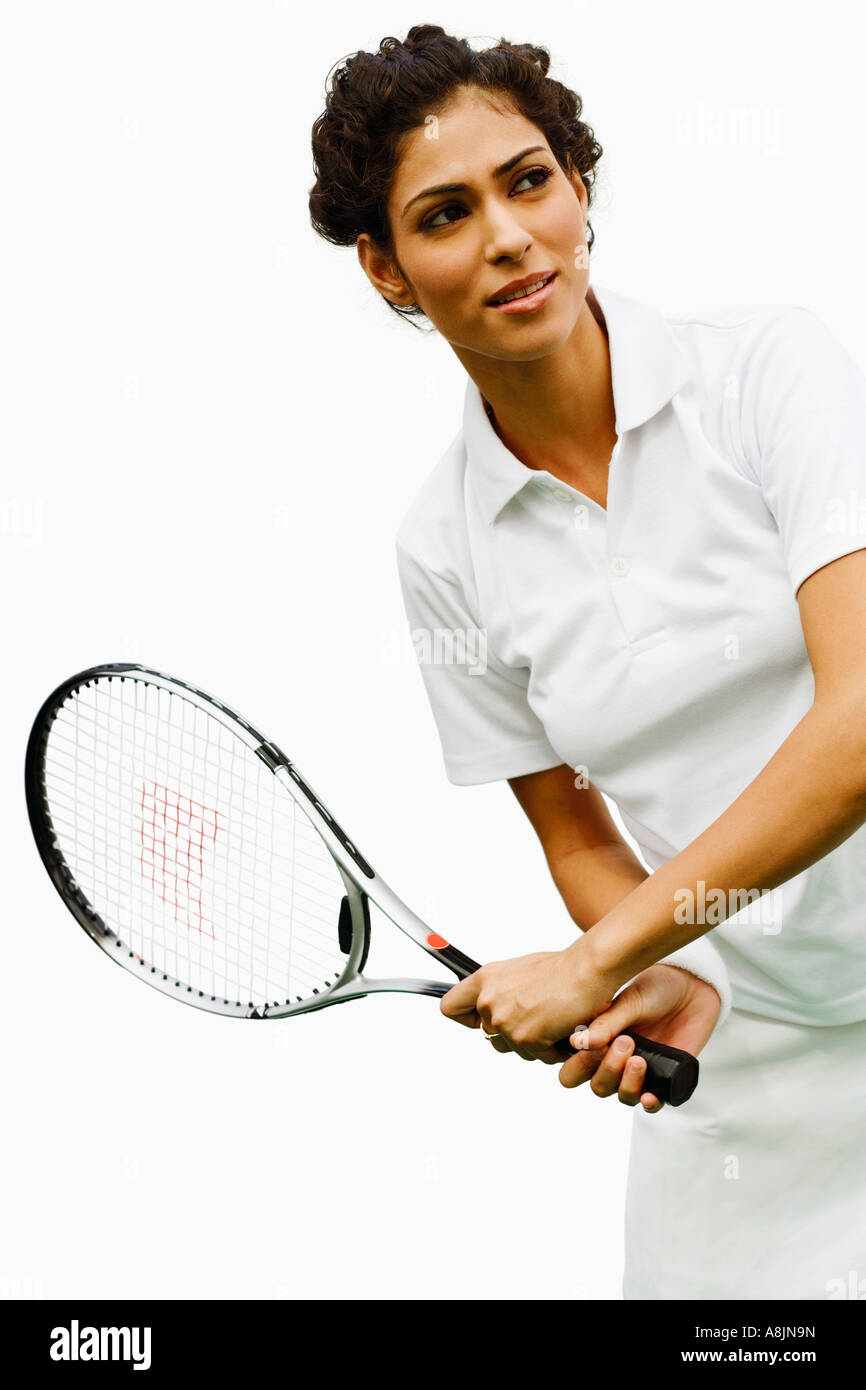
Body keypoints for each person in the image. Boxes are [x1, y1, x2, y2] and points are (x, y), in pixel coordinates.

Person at [308, 24, 866, 1299]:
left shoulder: (769, 371)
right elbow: (572, 832)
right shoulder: (439, 547)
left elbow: (851, 728)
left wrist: (593, 961)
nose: (508, 237)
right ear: (387, 269)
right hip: (753, 1053)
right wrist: (670, 970)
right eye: (445, 215)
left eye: (528, 181)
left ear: (578, 187)